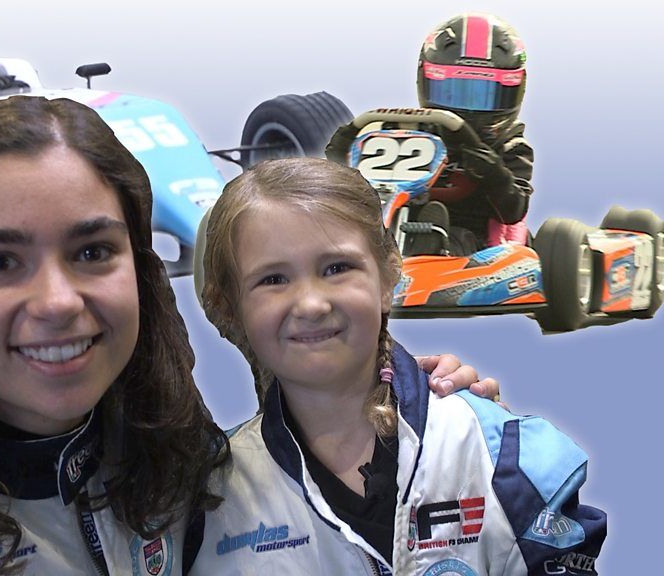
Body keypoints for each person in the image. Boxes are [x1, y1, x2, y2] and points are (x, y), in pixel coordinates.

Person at [0, 97, 492, 575]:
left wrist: (419, 427)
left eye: (93, 252)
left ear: (140, 269)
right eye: (0, 261)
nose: (59, 301)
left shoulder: (187, 468)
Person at [190, 158, 605, 575]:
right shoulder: (208, 501)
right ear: (231, 307)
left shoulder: (505, 458)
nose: (312, 304)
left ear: (389, 279)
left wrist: (483, 426)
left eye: (336, 268)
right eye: (273, 279)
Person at [328, 13, 534, 256]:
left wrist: (492, 173)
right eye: (453, 92)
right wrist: (340, 155)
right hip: (387, 225)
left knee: (448, 231)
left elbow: (513, 211)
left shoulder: (510, 146)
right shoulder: (404, 132)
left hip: (470, 245)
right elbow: (352, 190)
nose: (467, 108)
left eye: (482, 95)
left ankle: (425, 251)